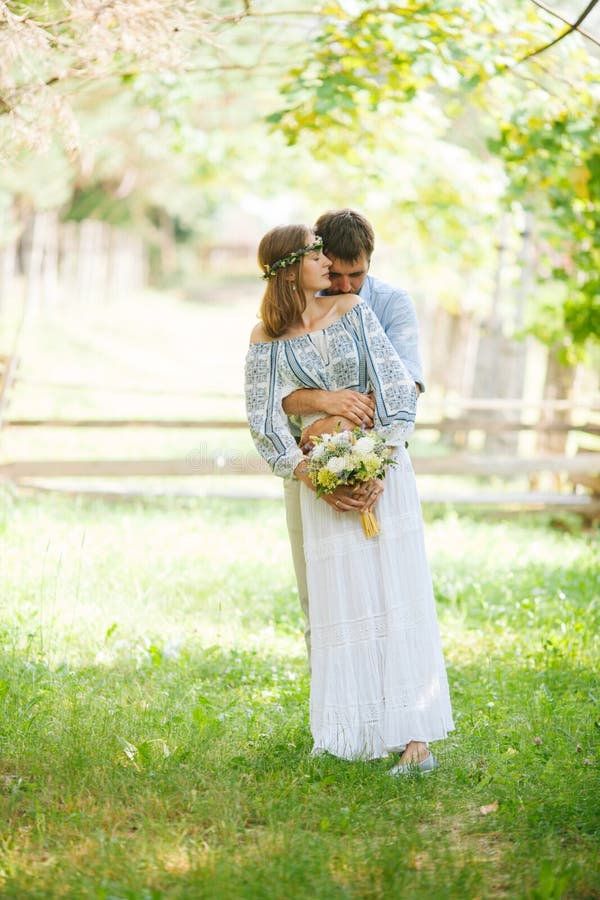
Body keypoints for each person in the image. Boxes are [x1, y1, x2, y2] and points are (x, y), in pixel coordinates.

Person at [245, 224, 453, 773]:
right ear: (291, 269)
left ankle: (415, 741)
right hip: (320, 485)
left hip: (381, 471)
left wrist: (378, 463)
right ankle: (351, 732)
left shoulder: (357, 310)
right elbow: (264, 422)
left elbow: (393, 384)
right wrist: (313, 476)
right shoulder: (263, 340)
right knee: (340, 602)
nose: (329, 266)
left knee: (394, 595)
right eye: (316, 256)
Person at [281, 209, 424, 663]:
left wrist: (349, 438)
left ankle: (387, 699)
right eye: (334, 275)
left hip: (379, 464)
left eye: (355, 274)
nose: (343, 286)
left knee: (385, 592)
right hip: (306, 468)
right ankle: (330, 709)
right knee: (318, 594)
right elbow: (276, 394)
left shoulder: (391, 304)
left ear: (370, 261)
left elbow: (406, 387)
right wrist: (326, 403)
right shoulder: (293, 306)